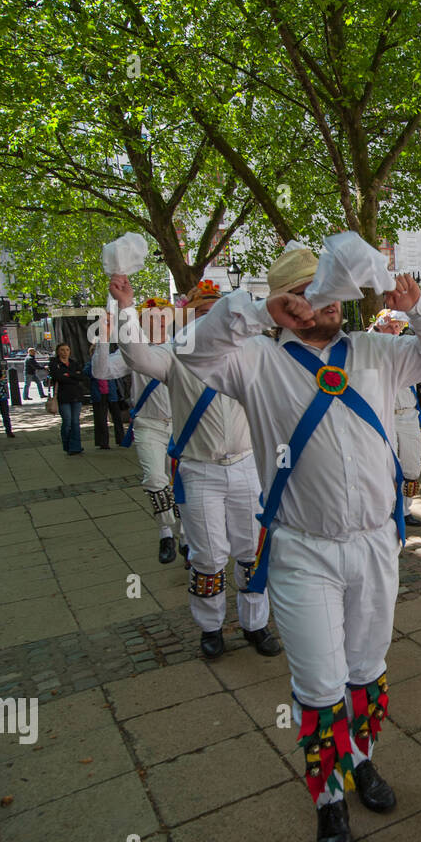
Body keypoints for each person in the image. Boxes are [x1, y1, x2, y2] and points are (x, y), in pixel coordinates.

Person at [174, 239, 421, 842]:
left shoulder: (379, 352)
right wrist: (256, 311)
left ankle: (361, 762)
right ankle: (328, 797)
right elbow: (191, 350)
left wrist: (419, 306)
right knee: (318, 680)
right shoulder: (253, 361)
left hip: (377, 543)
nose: (316, 305)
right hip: (302, 550)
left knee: (366, 666)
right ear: (285, 303)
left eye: (324, 292)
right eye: (301, 295)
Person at [107, 276, 281, 660]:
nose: (208, 322)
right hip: (199, 469)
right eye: (201, 314)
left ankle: (255, 624)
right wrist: (124, 307)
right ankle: (211, 628)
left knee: (252, 552)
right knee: (208, 556)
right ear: (188, 319)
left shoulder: (250, 353)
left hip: (247, 465)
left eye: (214, 314)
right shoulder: (173, 354)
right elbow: (135, 356)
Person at [115, 297, 179, 564]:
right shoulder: (133, 351)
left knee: (181, 483)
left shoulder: (182, 348)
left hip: (179, 425)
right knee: (155, 479)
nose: (159, 322)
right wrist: (103, 344)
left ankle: (187, 537)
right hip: (147, 424)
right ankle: (166, 532)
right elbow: (103, 371)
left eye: (163, 317)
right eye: (153, 318)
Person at [374, 308, 421, 528]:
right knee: (387, 466)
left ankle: (405, 510)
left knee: (412, 466)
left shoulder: (406, 348)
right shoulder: (373, 348)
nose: (395, 331)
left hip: (408, 414)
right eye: (390, 327)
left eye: (398, 327)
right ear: (380, 328)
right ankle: (388, 510)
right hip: (385, 415)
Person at [48, 343, 87, 454]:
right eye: (62, 350)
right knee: (67, 421)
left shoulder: (74, 363)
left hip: (76, 395)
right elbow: (57, 377)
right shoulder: (54, 363)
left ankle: (76, 446)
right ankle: (67, 445)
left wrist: (68, 375)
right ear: (58, 351)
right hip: (63, 396)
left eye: (67, 350)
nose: (65, 352)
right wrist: (73, 376)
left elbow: (81, 377)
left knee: (75, 421)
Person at [85, 350, 125, 450]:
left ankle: (121, 439)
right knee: (101, 419)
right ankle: (103, 442)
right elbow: (86, 373)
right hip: (99, 394)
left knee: (117, 417)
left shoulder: (110, 363)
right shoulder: (91, 364)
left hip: (111, 393)